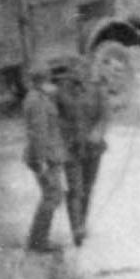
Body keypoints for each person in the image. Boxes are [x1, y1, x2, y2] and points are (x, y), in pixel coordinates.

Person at [53, 54, 109, 246]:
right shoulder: (60, 91)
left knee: (87, 187)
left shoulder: (97, 90)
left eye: (81, 69)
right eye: (73, 69)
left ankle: (82, 222)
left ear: (87, 71)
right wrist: (62, 138)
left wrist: (97, 133)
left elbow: (104, 116)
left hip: (93, 148)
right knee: (75, 189)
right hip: (70, 147)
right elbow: (54, 118)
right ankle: (76, 228)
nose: (77, 73)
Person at [21, 66, 68, 252]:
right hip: (46, 156)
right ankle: (38, 242)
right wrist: (41, 159)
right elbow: (39, 133)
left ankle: (37, 239)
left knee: (52, 196)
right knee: (52, 196)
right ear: (44, 80)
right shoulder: (37, 101)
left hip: (47, 154)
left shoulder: (37, 97)